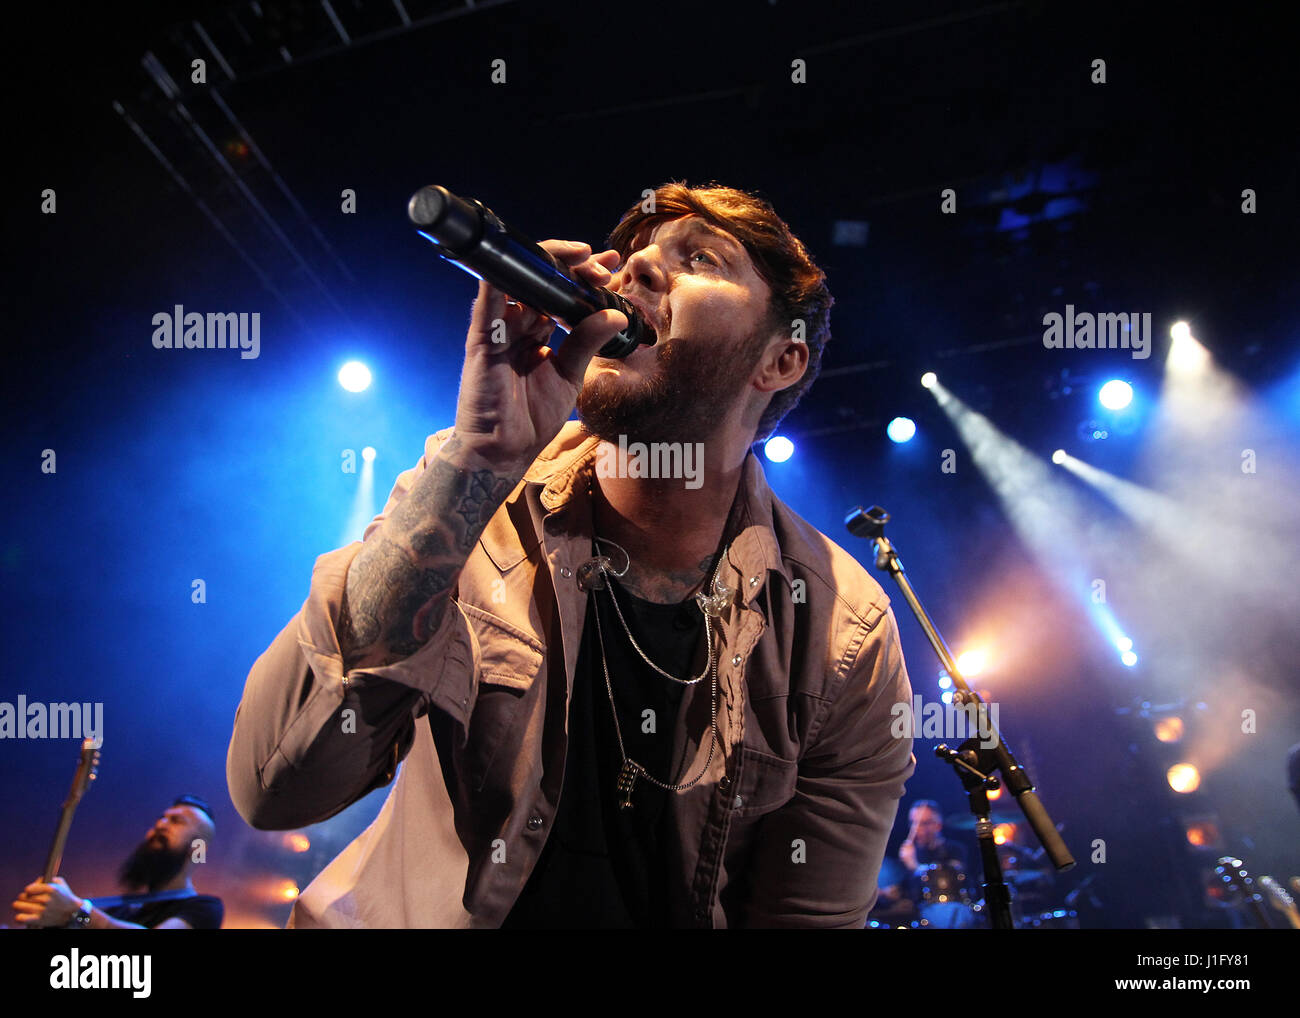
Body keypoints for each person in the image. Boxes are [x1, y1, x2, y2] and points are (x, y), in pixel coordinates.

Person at [227, 181, 916, 928]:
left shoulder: (844, 634)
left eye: (699, 259)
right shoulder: (470, 501)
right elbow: (276, 788)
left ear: (780, 361)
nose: (637, 268)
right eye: (638, 252)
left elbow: (806, 920)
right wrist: (479, 459)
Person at [11, 794, 223, 929]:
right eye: (162, 818)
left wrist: (76, 912)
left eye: (177, 821)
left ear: (198, 849)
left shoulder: (203, 908)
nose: (161, 825)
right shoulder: (119, 911)